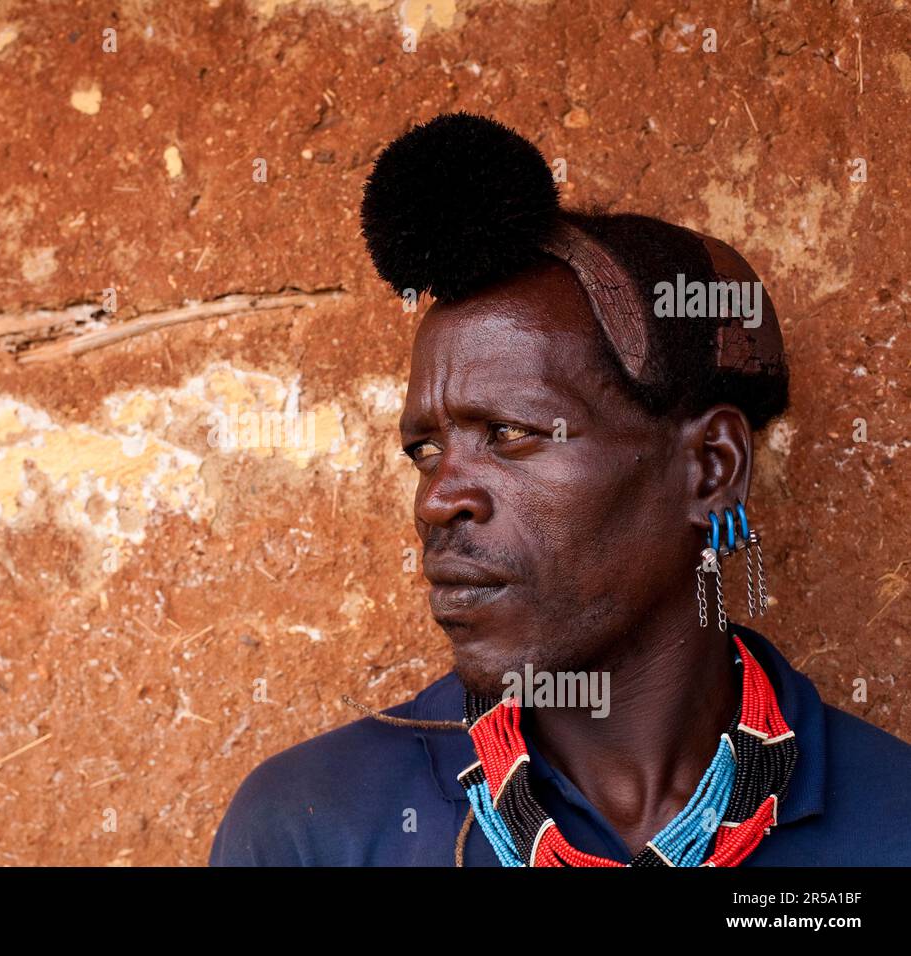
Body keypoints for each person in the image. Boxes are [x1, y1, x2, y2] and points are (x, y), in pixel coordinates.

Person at [208, 112, 911, 866]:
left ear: (711, 467)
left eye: (511, 433)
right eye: (426, 449)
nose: (437, 501)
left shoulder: (891, 823)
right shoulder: (316, 828)